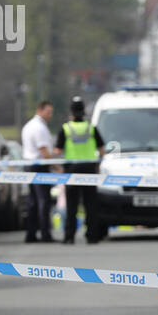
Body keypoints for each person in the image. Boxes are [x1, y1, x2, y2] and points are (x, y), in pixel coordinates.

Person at [56, 95, 105, 244]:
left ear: (71, 111)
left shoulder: (66, 129)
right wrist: (97, 164)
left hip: (71, 171)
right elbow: (102, 150)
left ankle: (69, 236)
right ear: (84, 111)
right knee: (90, 205)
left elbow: (57, 151)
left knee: (72, 206)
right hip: (89, 170)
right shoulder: (91, 128)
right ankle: (92, 236)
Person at [21, 100, 56, 242]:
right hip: (39, 166)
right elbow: (44, 151)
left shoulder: (29, 125)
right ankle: (45, 233)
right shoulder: (39, 128)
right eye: (48, 112)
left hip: (29, 166)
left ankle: (31, 233)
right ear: (40, 110)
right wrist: (57, 166)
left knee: (33, 201)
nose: (50, 115)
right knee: (43, 201)